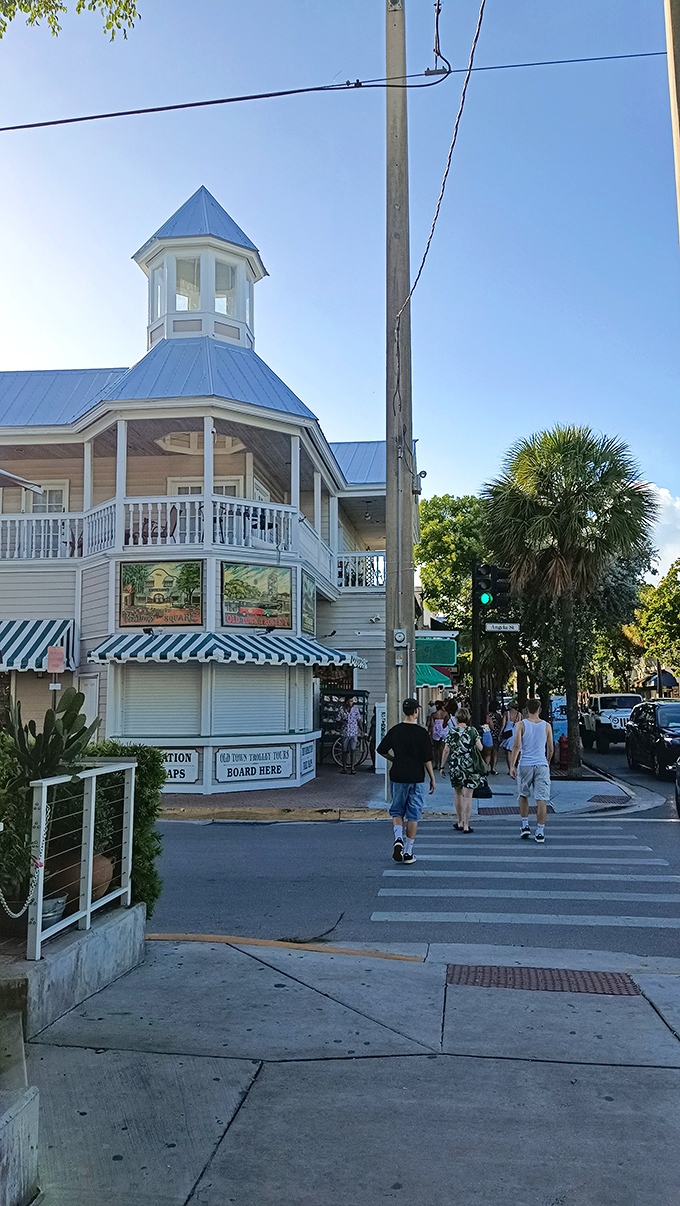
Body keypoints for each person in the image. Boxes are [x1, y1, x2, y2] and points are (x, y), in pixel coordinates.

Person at [377, 698, 435, 865]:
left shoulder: (396, 730)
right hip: (416, 776)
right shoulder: (422, 733)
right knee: (413, 815)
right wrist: (432, 778)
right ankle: (408, 851)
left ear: (404, 711)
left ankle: (398, 839)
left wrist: (394, 759)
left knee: (397, 811)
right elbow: (427, 759)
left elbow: (381, 749)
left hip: (398, 774)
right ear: (416, 711)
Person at [509, 697, 554, 843]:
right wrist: (547, 760)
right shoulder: (546, 726)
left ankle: (525, 825)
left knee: (523, 795)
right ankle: (540, 831)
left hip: (525, 764)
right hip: (541, 764)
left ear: (527, 710)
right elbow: (551, 748)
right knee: (541, 799)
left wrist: (512, 765)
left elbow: (516, 746)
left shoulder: (521, 725)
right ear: (539, 710)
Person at [440, 707, 485, 833]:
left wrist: (442, 766)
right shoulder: (472, 731)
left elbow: (446, 750)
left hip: (455, 766)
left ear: (456, 718)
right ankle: (466, 825)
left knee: (458, 793)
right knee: (468, 796)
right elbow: (480, 748)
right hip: (470, 767)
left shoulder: (452, 731)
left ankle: (459, 821)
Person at [338, 695, 363, 775]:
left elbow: (359, 720)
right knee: (344, 750)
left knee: (353, 750)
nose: (352, 703)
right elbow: (338, 720)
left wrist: (361, 730)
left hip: (353, 732)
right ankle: (344, 767)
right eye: (350, 701)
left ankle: (353, 767)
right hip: (344, 732)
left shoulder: (355, 710)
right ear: (346, 702)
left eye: (352, 701)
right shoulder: (341, 710)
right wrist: (342, 722)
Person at [499, 702, 520, 770]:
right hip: (517, 733)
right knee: (517, 750)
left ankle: (510, 768)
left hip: (508, 733)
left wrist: (500, 733)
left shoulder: (506, 713)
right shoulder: (519, 714)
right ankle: (518, 766)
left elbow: (503, 725)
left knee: (509, 752)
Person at [429, 701, 449, 770]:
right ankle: (441, 763)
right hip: (443, 731)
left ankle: (436, 763)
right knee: (442, 748)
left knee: (435, 748)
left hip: (435, 730)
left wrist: (430, 731)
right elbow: (447, 722)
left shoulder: (433, 714)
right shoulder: (445, 713)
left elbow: (431, 724)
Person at [486, 702, 503, 774]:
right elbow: (500, 724)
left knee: (489, 751)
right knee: (495, 751)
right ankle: (493, 767)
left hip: (489, 733)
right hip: (496, 733)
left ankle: (488, 766)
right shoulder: (498, 715)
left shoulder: (488, 715)